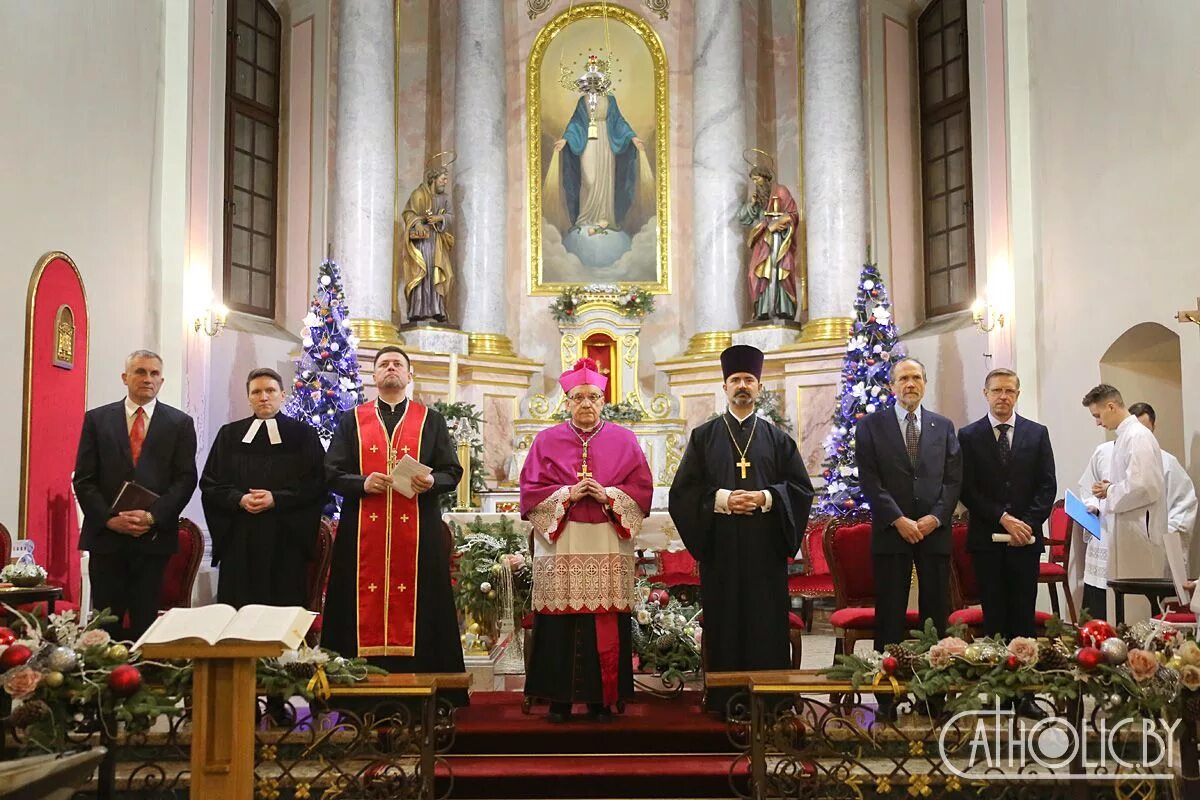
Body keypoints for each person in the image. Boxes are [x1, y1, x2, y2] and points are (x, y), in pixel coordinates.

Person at [668, 345, 814, 716]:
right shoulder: (704, 437)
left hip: (764, 548)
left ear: (759, 387)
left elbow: (799, 489)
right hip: (722, 548)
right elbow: (683, 492)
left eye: (749, 380)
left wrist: (766, 497)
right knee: (726, 621)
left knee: (766, 623)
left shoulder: (778, 439)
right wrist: (722, 500)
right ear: (725, 386)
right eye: (736, 380)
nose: (742, 386)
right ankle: (724, 700)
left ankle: (772, 698)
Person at [322, 346, 466, 696]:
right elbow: (330, 472)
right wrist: (362, 483)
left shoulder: (430, 420)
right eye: (383, 364)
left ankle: (430, 688)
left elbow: (452, 471)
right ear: (374, 376)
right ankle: (353, 690)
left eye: (397, 364)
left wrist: (432, 481)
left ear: (408, 375)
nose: (390, 369)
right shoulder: (351, 420)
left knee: (423, 605)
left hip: (418, 534)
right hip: (361, 534)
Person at [520, 358, 653, 723]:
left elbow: (641, 490)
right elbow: (530, 493)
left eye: (593, 397)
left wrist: (609, 494)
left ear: (603, 400)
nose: (586, 404)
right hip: (562, 539)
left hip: (607, 538)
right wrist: (567, 494)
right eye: (578, 397)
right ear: (567, 401)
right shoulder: (546, 441)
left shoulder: (624, 440)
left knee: (605, 617)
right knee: (559, 620)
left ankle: (603, 698)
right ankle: (558, 699)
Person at [73, 350, 198, 640]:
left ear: (162, 380)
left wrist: (153, 516)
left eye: (154, 374)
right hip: (107, 538)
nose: (147, 379)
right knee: (106, 623)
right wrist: (108, 519)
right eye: (140, 372)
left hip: (152, 538)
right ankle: (103, 680)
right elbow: (85, 479)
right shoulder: (97, 420)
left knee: (145, 622)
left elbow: (185, 479)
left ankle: (144, 679)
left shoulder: (179, 423)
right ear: (125, 377)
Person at [957, 368, 1055, 719]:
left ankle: (1025, 695)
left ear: (1018, 393)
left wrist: (1026, 524)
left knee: (1022, 618)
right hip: (987, 539)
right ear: (985, 393)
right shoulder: (968, 436)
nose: (1003, 396)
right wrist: (1002, 517)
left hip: (1024, 542)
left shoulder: (1036, 433)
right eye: (996, 390)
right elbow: (966, 488)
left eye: (1009, 390)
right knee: (995, 616)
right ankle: (997, 692)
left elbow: (1047, 486)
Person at [855, 357, 962, 651]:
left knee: (937, 613)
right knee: (890, 614)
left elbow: (953, 480)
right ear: (892, 386)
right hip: (892, 533)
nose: (910, 384)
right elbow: (870, 481)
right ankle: (887, 687)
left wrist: (936, 518)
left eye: (916, 377)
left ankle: (937, 687)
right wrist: (899, 520)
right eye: (903, 379)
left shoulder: (943, 426)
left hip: (934, 533)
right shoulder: (871, 427)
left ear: (925, 384)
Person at [200, 367, 326, 608]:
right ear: (248, 398)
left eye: (270, 390)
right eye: (256, 392)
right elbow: (210, 483)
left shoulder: (303, 435)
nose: (264, 397)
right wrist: (239, 499)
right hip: (239, 539)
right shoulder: (229, 435)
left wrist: (276, 499)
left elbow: (317, 484)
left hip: (286, 539)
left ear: (283, 394)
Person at [1079, 385, 1167, 622]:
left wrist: (1110, 490)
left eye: (1098, 415)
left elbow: (1145, 486)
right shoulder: (1126, 436)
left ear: (1111, 406)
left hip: (1138, 535)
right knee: (1123, 604)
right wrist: (1112, 487)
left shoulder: (1137, 436)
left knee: (1135, 608)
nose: (1097, 422)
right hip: (1127, 532)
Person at [1129, 402, 1196, 574]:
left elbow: (1185, 505)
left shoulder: (1168, 463)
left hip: (1159, 543)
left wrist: (1161, 533)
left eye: (1146, 431)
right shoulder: (1120, 462)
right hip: (1130, 544)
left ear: (1153, 428)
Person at [736, 163, 799, 321]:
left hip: (780, 239)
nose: (756, 184)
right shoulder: (759, 198)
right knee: (755, 274)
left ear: (765, 178)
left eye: (757, 180)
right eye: (754, 181)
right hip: (763, 241)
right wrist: (752, 205)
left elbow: (793, 214)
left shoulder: (781, 191)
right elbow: (743, 218)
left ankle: (783, 309)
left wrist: (778, 222)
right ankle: (762, 310)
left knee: (779, 272)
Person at [401, 162, 455, 323]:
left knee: (440, 273)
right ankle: (418, 309)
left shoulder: (445, 199)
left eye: (446, 179)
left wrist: (439, 218)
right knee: (422, 274)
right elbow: (408, 213)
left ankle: (437, 309)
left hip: (437, 240)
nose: (445, 182)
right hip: (423, 242)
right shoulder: (418, 194)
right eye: (443, 179)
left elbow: (451, 217)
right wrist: (417, 222)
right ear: (433, 179)